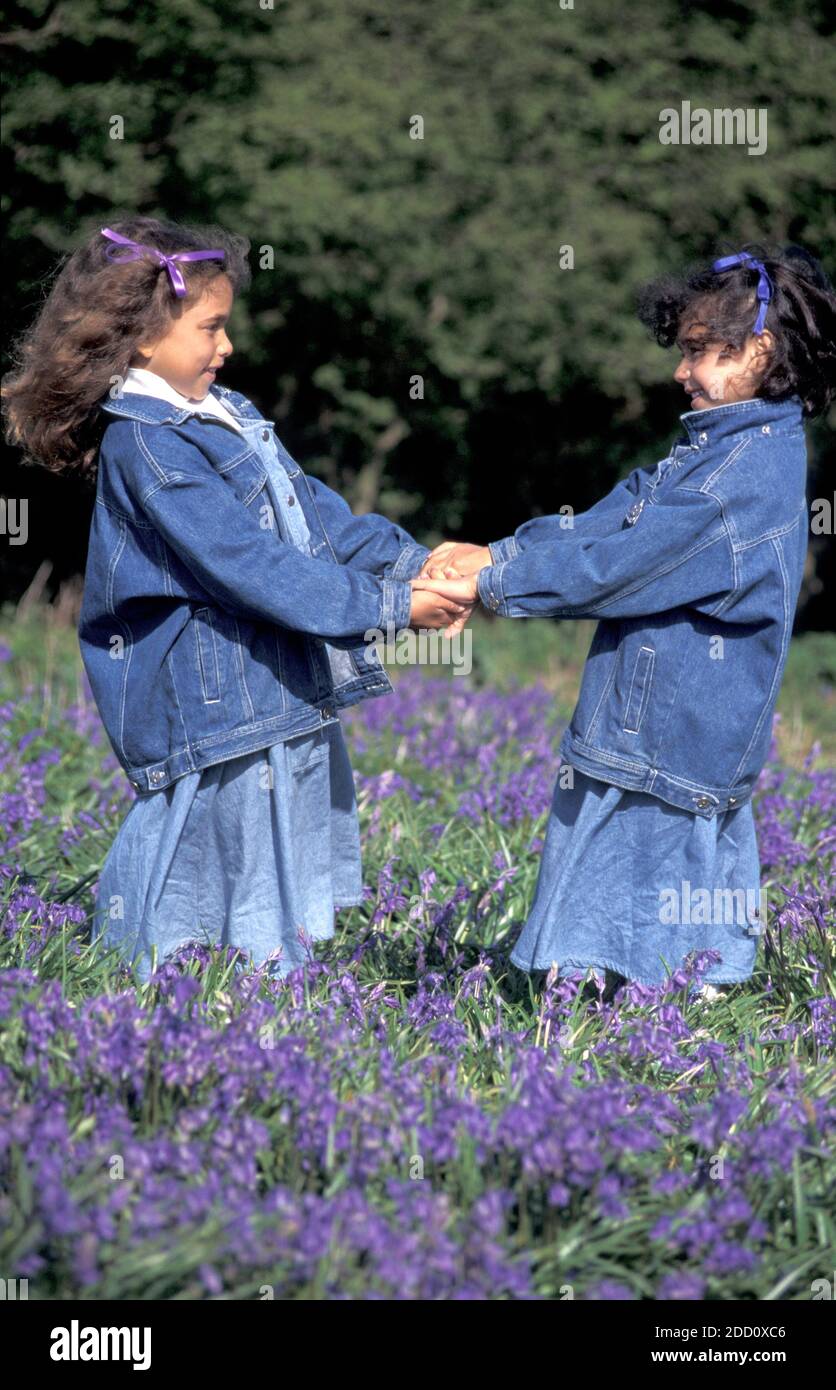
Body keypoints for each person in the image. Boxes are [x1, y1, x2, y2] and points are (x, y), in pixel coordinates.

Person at [1, 215, 475, 982]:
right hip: (214, 699)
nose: (228, 346)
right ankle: (152, 981)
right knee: (208, 839)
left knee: (267, 840)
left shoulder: (228, 413)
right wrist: (393, 609)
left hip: (269, 683)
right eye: (212, 328)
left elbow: (315, 517)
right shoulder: (149, 442)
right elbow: (247, 563)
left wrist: (417, 562)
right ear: (143, 340)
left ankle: (257, 988)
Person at [414, 243, 836, 1001]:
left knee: (629, 904)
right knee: (675, 899)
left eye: (700, 352)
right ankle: (682, 1010)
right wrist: (498, 554)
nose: (681, 371)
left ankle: (615, 1023)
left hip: (667, 737)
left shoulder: (733, 484)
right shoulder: (718, 449)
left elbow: (616, 568)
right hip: (675, 731)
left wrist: (494, 583)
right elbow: (613, 521)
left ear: (758, 352)